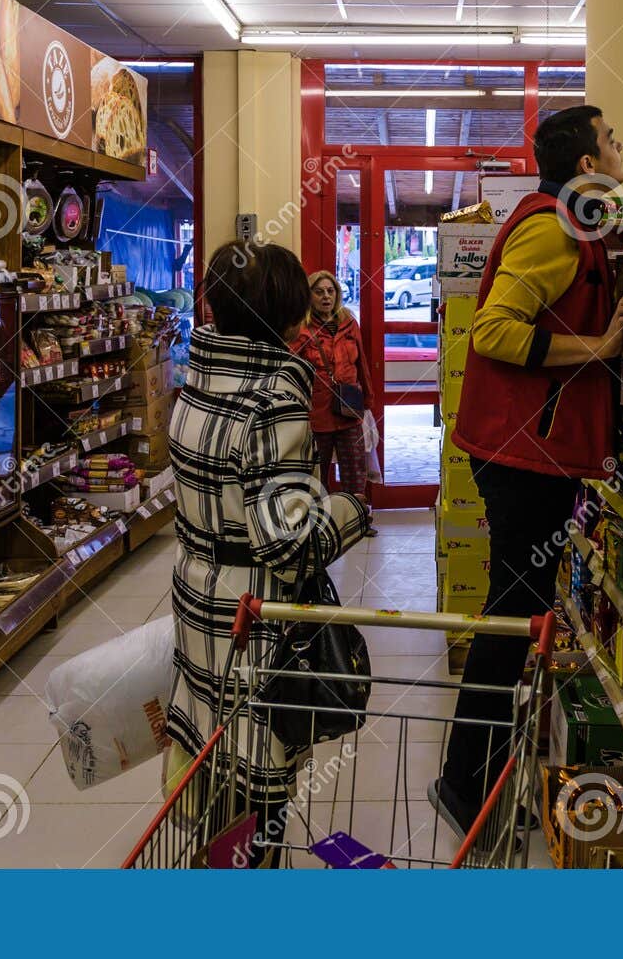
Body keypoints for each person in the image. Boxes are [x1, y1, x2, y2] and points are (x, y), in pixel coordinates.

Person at [430, 104, 623, 833]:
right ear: (587, 164)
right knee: (511, 617)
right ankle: (465, 784)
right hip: (523, 456)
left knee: (518, 613)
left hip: (529, 451)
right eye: (611, 142)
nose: (620, 151)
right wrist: (601, 346)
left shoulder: (575, 226)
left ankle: (482, 773)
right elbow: (492, 330)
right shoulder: (553, 228)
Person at [165, 240, 370, 862]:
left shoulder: (198, 378)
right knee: (258, 791)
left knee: (213, 768)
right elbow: (290, 548)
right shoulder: (275, 400)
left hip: (198, 601)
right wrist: (350, 513)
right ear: (283, 315)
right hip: (254, 622)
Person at [291, 271, 377, 533]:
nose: (326, 296)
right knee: (319, 471)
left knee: (355, 470)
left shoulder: (349, 323)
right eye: (319, 292)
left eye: (330, 291)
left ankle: (358, 521)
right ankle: (323, 525)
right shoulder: (301, 328)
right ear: (309, 296)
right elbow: (291, 368)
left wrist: (368, 400)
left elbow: (361, 362)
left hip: (349, 407)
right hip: (317, 412)